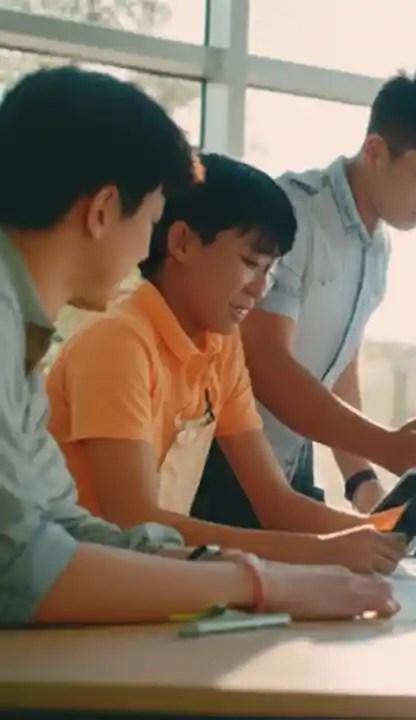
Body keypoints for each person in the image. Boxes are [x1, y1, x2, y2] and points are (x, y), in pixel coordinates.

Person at [0, 66, 394, 626]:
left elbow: (65, 530)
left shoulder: (22, 335)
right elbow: (20, 569)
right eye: (153, 219)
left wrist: (253, 573)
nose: (147, 245)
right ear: (103, 210)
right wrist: (262, 582)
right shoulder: (84, 335)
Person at [46, 153, 407, 575]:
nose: (259, 289)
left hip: (148, 577)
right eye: (250, 264)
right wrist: (323, 550)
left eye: (270, 271)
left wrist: (377, 535)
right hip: (77, 585)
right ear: (180, 242)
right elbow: (136, 523)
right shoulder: (118, 342)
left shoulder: (222, 346)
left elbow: (276, 502)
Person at [195, 68, 416, 526]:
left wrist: (362, 482)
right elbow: (263, 361)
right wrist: (387, 444)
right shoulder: (295, 213)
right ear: (376, 150)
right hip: (221, 464)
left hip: (290, 464)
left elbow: (337, 367)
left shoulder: (377, 243)